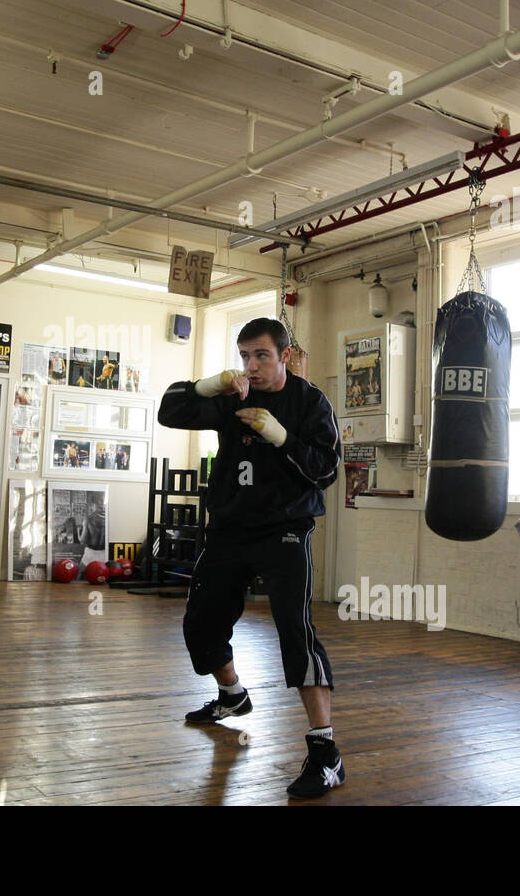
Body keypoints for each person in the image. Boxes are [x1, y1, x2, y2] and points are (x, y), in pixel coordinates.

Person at [158, 317, 343, 799]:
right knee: (201, 623)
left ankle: (326, 753)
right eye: (244, 356)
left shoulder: (309, 402)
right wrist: (207, 385)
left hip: (283, 530)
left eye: (261, 355)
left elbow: (325, 470)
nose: (251, 366)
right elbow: (169, 411)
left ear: (285, 355)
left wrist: (281, 436)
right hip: (228, 529)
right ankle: (233, 695)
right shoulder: (233, 395)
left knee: (295, 631)